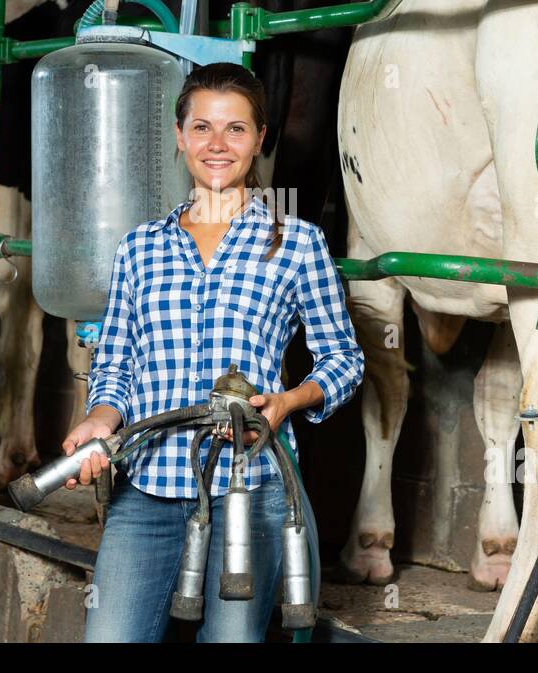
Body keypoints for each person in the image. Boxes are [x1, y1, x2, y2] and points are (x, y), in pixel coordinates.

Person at [65, 61, 364, 643]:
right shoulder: (139, 248)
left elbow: (344, 360)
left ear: (260, 138)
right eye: (201, 128)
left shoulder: (299, 244)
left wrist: (288, 401)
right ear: (179, 138)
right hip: (147, 484)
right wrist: (99, 420)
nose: (217, 144)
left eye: (235, 129)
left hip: (248, 494)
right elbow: (117, 363)